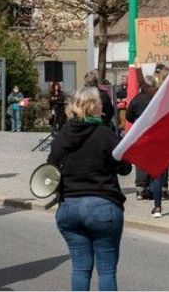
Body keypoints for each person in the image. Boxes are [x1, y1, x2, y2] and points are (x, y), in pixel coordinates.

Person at [49, 87, 133, 291]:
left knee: (80, 269)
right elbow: (125, 167)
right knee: (106, 271)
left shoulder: (62, 136)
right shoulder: (105, 134)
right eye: (101, 105)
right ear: (94, 107)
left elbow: (50, 172)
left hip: (69, 207)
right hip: (103, 206)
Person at [124, 79, 157, 200]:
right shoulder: (157, 98)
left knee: (141, 160)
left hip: (139, 133)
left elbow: (128, 116)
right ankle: (153, 188)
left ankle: (140, 189)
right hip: (154, 132)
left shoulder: (136, 99)